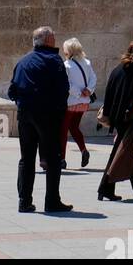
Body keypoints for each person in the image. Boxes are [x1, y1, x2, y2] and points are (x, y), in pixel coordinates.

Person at [8, 25, 71, 214]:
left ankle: (24, 201)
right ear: (49, 41)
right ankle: (52, 201)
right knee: (53, 158)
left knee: (26, 158)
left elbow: (12, 91)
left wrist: (23, 102)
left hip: (25, 114)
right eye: (53, 37)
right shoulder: (54, 61)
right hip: (48, 116)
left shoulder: (23, 62)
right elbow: (63, 90)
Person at [96, 40, 133, 201]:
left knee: (126, 149)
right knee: (122, 150)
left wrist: (110, 115)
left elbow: (109, 93)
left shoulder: (118, 69)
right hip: (131, 116)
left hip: (118, 116)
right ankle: (105, 187)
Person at [58, 38, 97, 170]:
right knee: (74, 127)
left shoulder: (66, 65)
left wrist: (78, 93)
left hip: (71, 102)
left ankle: (62, 159)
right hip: (83, 103)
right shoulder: (87, 62)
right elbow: (93, 78)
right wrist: (88, 91)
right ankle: (83, 150)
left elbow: (66, 84)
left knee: (63, 130)